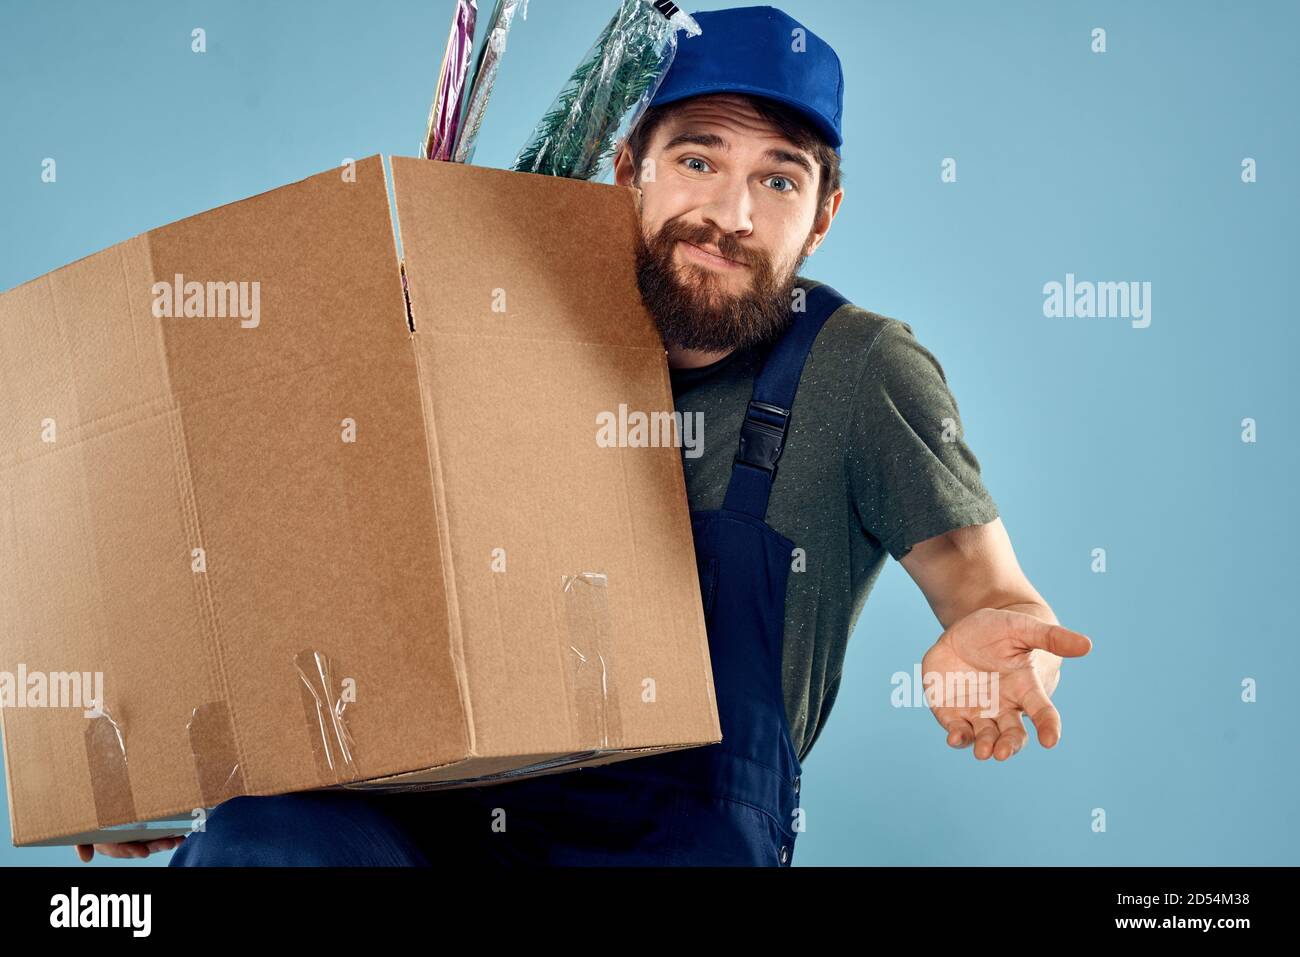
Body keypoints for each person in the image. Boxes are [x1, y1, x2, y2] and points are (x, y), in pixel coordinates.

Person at [81, 3, 1091, 867]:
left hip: (672, 847)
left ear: (822, 217)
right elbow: (330, 593)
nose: (729, 213)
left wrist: (997, 651)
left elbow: (992, 595)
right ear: (627, 169)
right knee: (264, 841)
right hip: (416, 823)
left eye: (778, 180)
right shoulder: (486, 326)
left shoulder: (857, 367)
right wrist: (186, 769)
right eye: (696, 159)